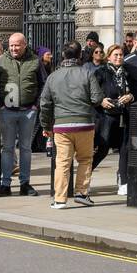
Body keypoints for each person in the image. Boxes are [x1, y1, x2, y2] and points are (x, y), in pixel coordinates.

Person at [40, 42, 105, 208]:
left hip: (62, 126)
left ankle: (60, 199)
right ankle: (82, 193)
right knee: (85, 160)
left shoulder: (53, 76)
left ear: (63, 56)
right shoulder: (87, 73)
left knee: (62, 162)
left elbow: (45, 104)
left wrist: (46, 126)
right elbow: (97, 99)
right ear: (79, 56)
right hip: (84, 124)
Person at [0, 32, 42, 197]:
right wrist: (0, 104)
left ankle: (25, 184)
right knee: (7, 148)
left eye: (17, 45)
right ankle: (5, 184)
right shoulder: (1, 60)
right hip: (8, 111)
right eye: (11, 45)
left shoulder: (35, 61)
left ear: (24, 45)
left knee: (26, 149)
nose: (13, 48)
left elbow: (44, 84)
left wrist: (36, 105)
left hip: (28, 111)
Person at [95, 44, 133, 178]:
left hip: (123, 115)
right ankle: (85, 176)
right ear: (109, 57)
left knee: (125, 148)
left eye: (121, 55)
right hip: (106, 117)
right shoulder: (101, 72)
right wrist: (101, 100)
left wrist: (130, 96)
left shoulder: (127, 72)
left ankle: (123, 180)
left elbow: (134, 91)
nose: (118, 57)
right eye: (115, 55)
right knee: (103, 149)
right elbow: (92, 92)